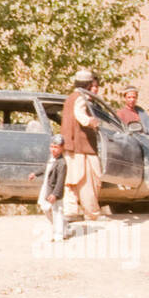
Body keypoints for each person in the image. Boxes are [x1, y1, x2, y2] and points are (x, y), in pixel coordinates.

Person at [61, 68, 102, 222]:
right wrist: (91, 121)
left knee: (71, 180)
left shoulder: (70, 97)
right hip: (81, 146)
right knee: (86, 180)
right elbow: (80, 115)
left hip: (71, 145)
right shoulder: (81, 98)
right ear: (87, 84)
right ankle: (91, 213)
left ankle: (70, 212)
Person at [30, 134, 68, 240]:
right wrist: (35, 174)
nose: (53, 150)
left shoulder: (62, 163)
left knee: (57, 211)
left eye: (56, 147)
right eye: (51, 147)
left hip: (55, 192)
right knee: (46, 209)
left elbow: (60, 181)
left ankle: (59, 234)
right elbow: (45, 168)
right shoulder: (51, 159)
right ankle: (61, 227)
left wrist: (55, 194)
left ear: (62, 148)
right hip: (47, 188)